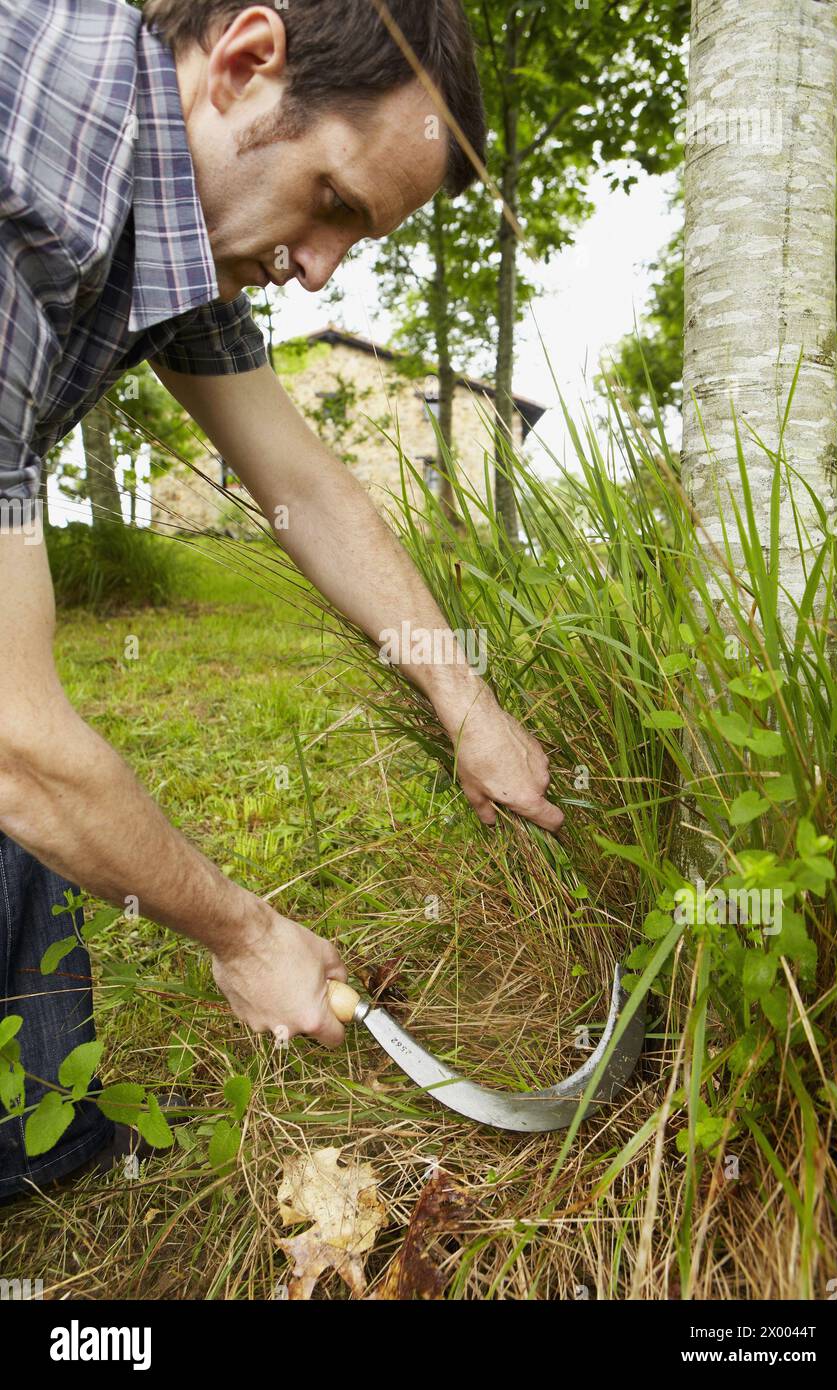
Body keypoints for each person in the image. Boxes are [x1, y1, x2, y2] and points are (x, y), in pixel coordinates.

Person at [0, 0, 563, 1201]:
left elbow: (301, 482)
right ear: (246, 64)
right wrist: (246, 936)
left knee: (35, 922)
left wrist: (463, 698)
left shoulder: (173, 198)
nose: (317, 271)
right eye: (334, 206)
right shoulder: (21, 198)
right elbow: (20, 748)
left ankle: (35, 1158)